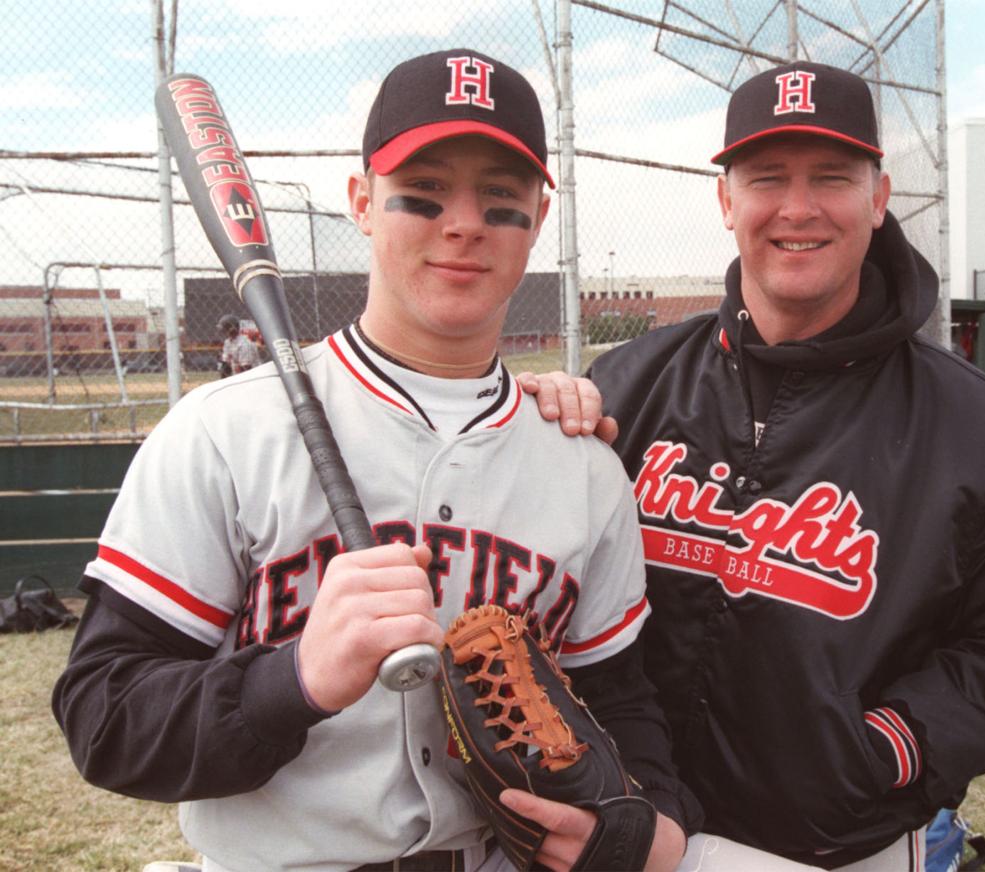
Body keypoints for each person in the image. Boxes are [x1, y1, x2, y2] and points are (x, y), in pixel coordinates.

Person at [53, 49, 697, 872]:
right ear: (362, 201)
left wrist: (641, 820)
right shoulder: (224, 432)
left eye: (500, 201)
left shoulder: (581, 465)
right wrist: (292, 681)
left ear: (539, 217)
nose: (463, 224)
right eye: (423, 192)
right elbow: (103, 718)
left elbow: (621, 700)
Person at [523, 60, 985, 870]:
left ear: (877, 200)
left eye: (832, 178)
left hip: (838, 850)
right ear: (726, 201)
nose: (797, 209)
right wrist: (525, 425)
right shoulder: (629, 385)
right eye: (767, 177)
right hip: (626, 829)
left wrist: (892, 746)